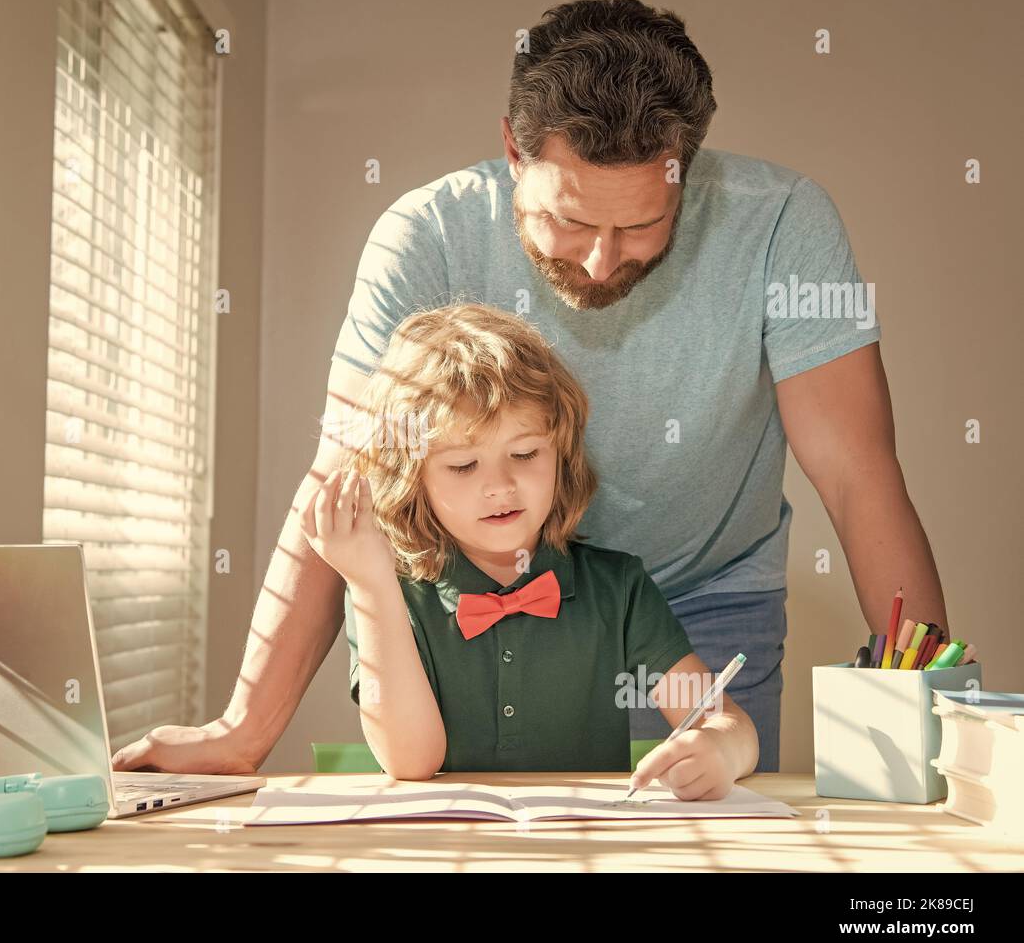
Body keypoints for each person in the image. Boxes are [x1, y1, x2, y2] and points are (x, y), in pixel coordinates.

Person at [112, 0, 947, 776]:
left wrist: (937, 717)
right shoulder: (424, 236)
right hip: (476, 592)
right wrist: (244, 732)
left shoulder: (783, 224)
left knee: (702, 830)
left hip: (707, 596)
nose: (600, 260)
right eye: (573, 221)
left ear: (683, 171)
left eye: (644, 225)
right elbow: (344, 476)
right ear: (514, 149)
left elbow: (857, 472)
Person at [301, 303, 757, 795]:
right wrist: (370, 584)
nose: (500, 486)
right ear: (414, 481)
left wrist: (719, 748)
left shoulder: (619, 588)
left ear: (562, 455)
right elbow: (411, 762)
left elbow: (731, 725)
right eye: (462, 465)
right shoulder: (386, 593)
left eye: (524, 454)